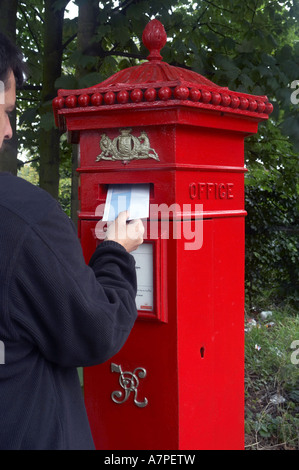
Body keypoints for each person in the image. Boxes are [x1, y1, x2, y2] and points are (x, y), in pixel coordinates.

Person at [0, 32, 144, 450]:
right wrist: (115, 253)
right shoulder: (24, 217)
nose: (9, 130)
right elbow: (96, 328)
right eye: (6, 112)